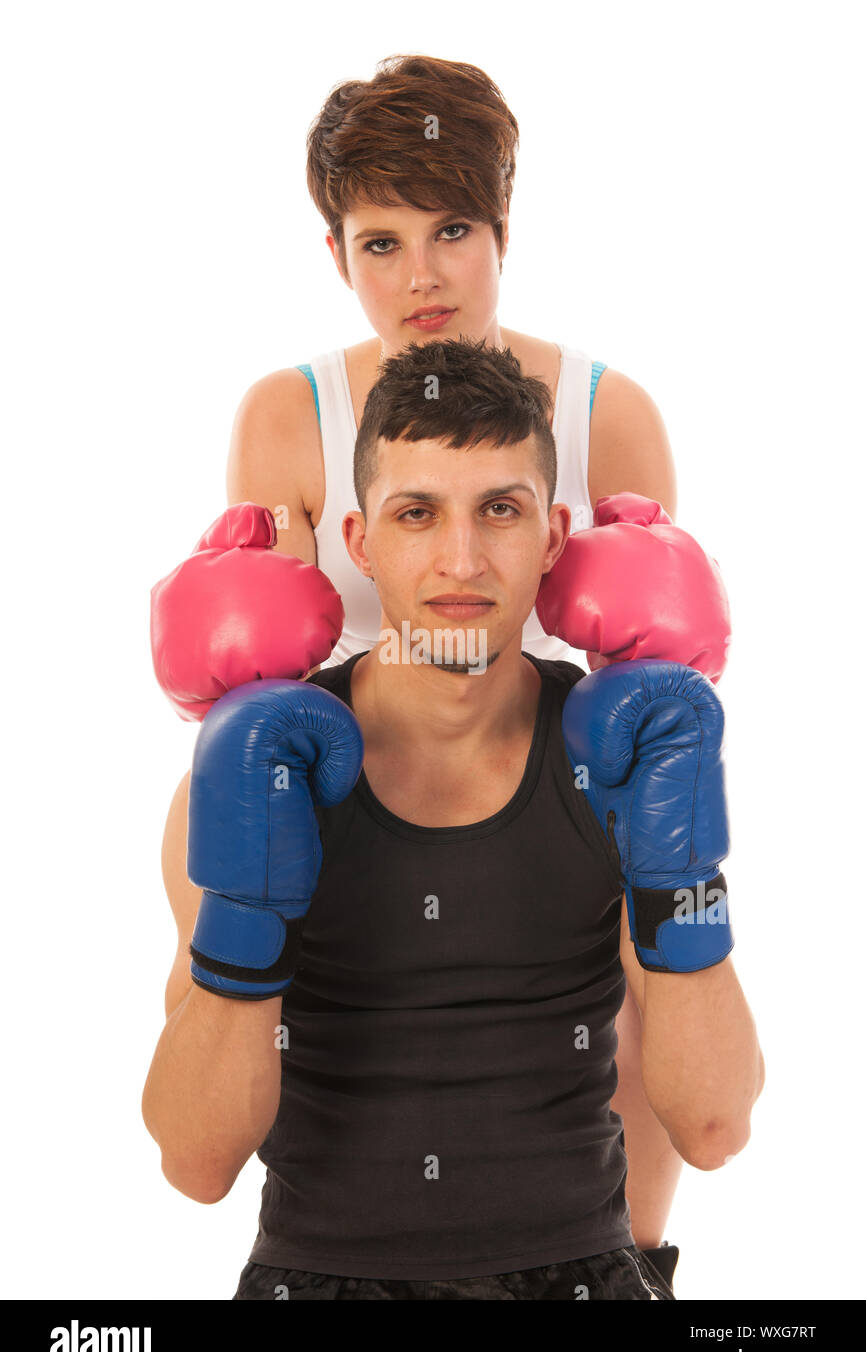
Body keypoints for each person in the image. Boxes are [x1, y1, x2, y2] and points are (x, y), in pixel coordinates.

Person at [150, 53, 723, 1289]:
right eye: (379, 241)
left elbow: (637, 660)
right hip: (344, 771)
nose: (420, 275)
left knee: (646, 970)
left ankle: (637, 1265)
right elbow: (262, 651)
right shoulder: (286, 413)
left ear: (502, 226)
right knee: (207, 856)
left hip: (539, 763)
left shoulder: (603, 409)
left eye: (452, 229)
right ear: (336, 253)